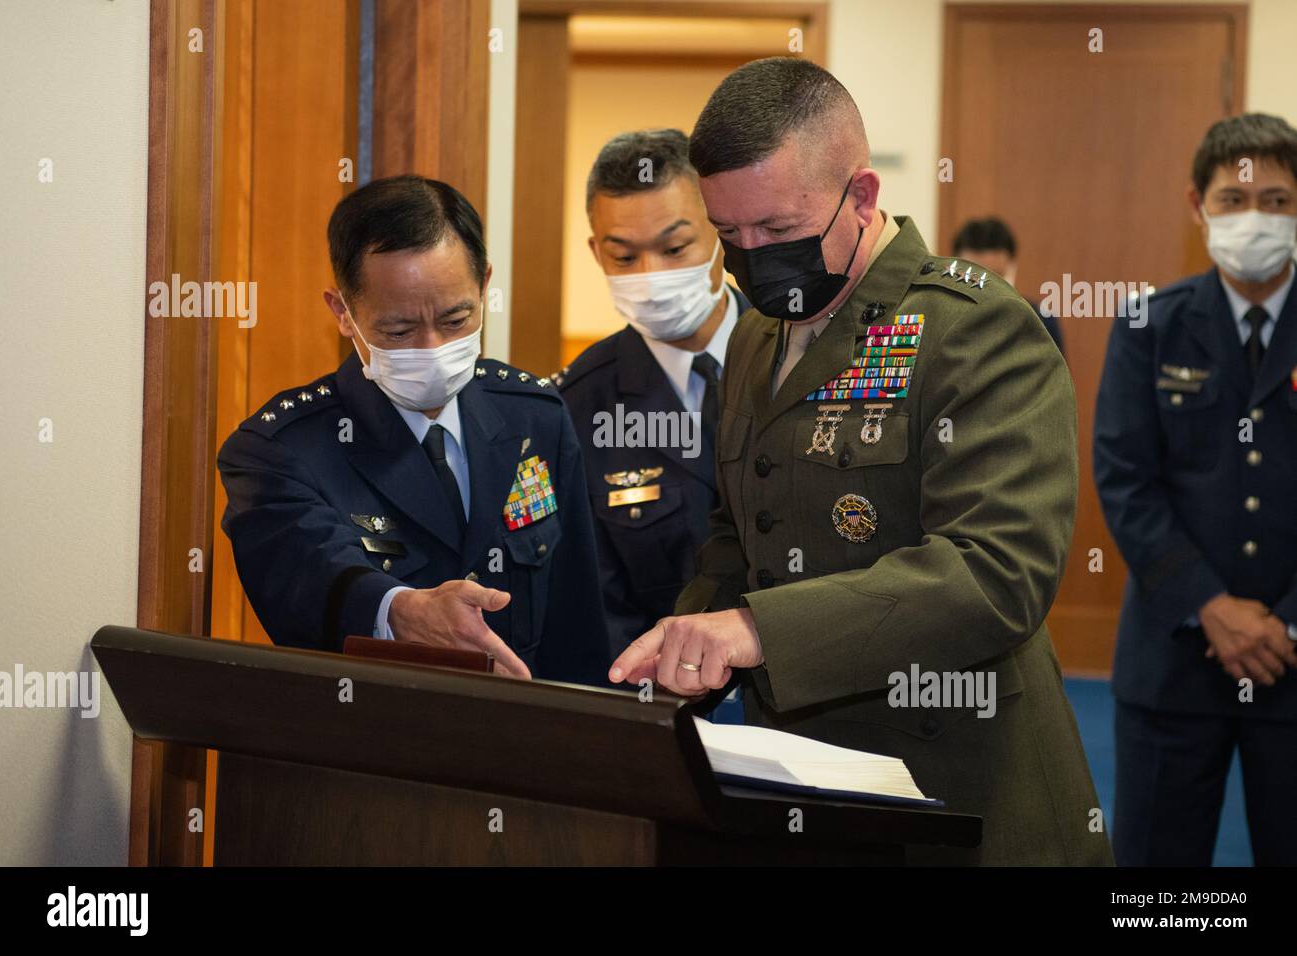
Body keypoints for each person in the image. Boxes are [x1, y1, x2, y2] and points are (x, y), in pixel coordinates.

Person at [609, 57, 1112, 865]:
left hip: (956, 776)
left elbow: (995, 575)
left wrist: (753, 631)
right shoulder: (755, 334)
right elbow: (741, 527)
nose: (752, 257)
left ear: (863, 197)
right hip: (801, 772)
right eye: (728, 236)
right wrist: (687, 639)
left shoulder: (973, 328)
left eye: (775, 231)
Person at [217, 175, 610, 686]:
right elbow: (315, 576)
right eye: (399, 331)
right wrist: (399, 609)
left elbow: (575, 620)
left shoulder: (534, 416)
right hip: (376, 746)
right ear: (343, 313)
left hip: (523, 743)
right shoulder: (279, 450)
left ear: (485, 286)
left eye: (455, 320)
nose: (430, 349)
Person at [1094, 112, 1297, 866]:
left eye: (1277, 201)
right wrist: (1211, 605)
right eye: (1235, 200)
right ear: (1198, 206)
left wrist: (1285, 624)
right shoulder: (1151, 324)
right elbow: (1125, 479)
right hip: (1172, 663)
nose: (1255, 219)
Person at [555, 129, 750, 660]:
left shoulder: (802, 349)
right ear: (597, 253)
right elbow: (597, 600)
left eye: (674, 248)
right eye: (624, 257)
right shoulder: (579, 404)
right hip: (664, 692)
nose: (652, 276)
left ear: (720, 228)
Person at [951, 216, 1065, 356]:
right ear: (954, 270)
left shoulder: (1040, 320)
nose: (984, 289)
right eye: (973, 278)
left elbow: (1057, 377)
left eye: (997, 277)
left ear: (1013, 267)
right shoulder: (938, 320)